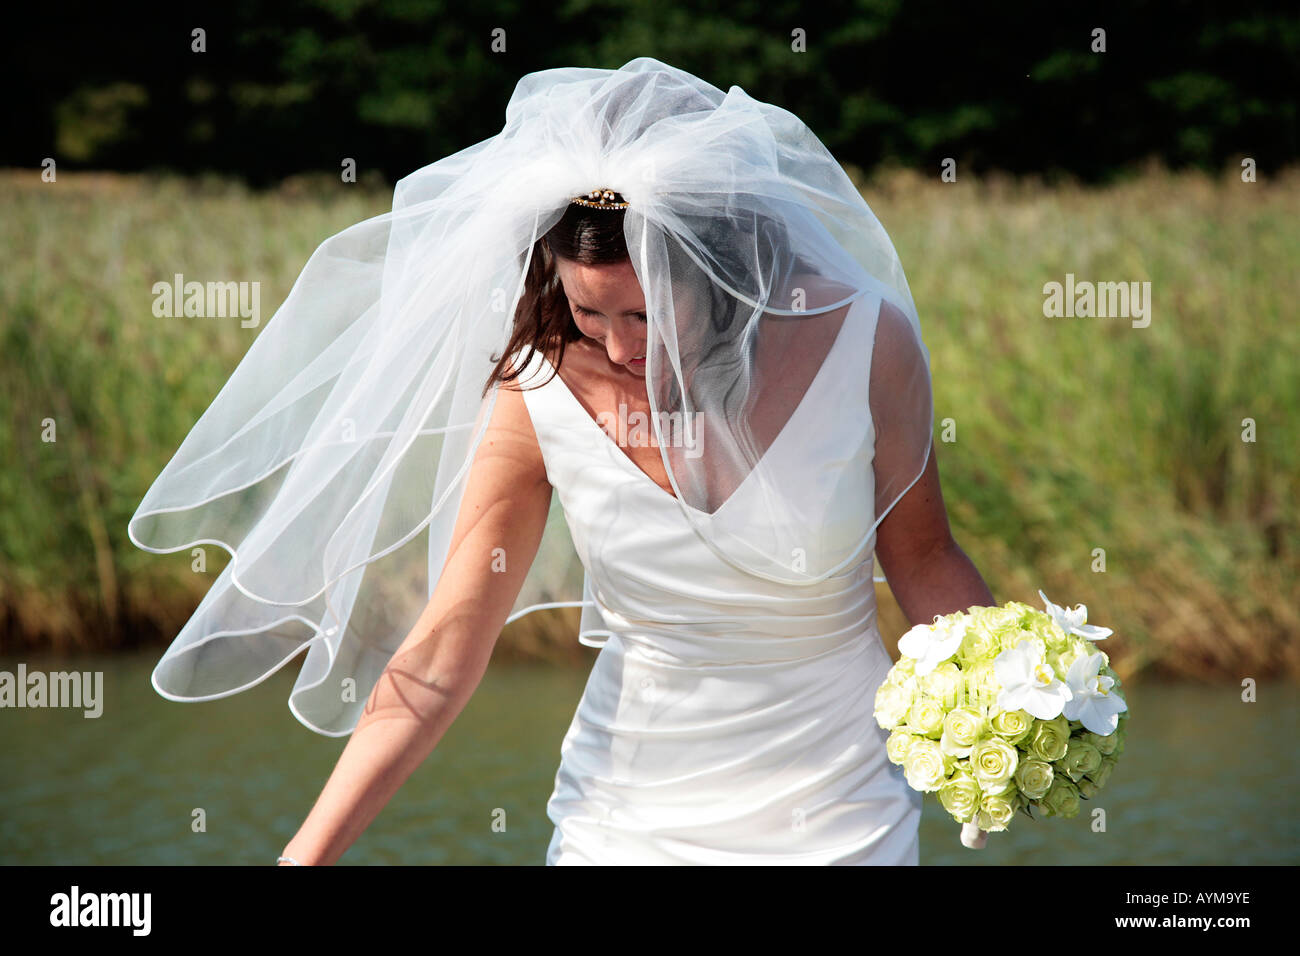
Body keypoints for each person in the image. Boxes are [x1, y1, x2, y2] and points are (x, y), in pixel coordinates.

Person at [128, 58, 996, 864]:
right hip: (624, 822)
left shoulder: (864, 341)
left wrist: (1012, 696)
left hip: (841, 816)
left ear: (720, 273)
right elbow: (442, 653)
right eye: (589, 312)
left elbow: (922, 556)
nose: (618, 347)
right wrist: (304, 857)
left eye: (646, 316)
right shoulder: (534, 391)